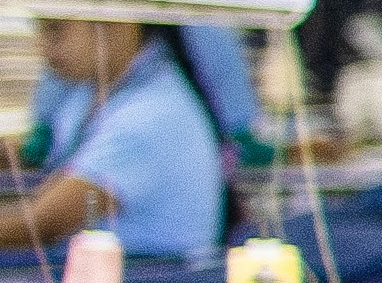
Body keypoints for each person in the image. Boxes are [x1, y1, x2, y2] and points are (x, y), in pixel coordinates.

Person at [13, 16, 229, 265]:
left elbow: (41, 225)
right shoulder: (88, 95)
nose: (42, 45)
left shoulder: (151, 115)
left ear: (117, 25)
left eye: (55, 28)